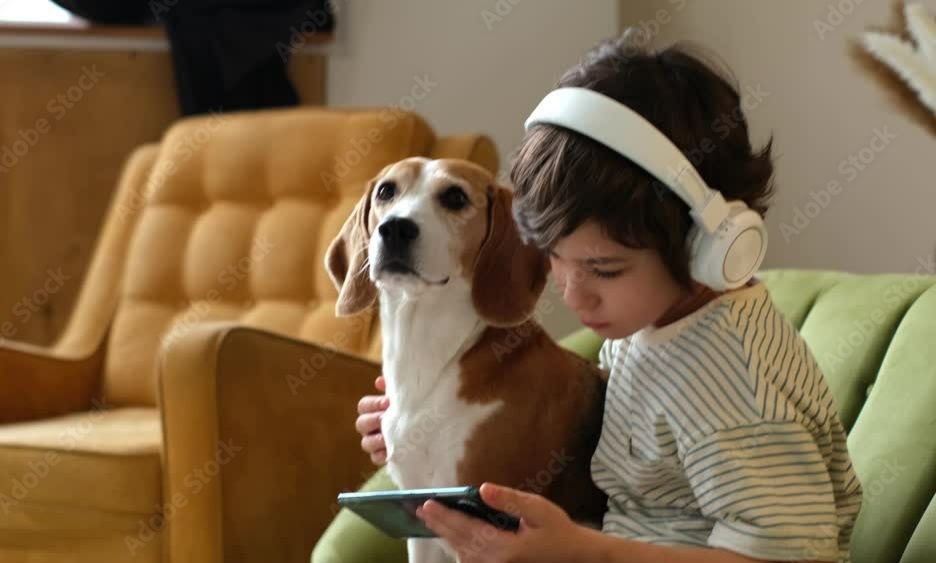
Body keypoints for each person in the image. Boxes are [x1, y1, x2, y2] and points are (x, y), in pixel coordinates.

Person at [355, 29, 862, 563]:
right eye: (557, 259)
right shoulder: (652, 329)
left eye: (604, 269)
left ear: (711, 245)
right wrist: (420, 434)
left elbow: (789, 557)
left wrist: (584, 550)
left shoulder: (735, 384)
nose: (574, 296)